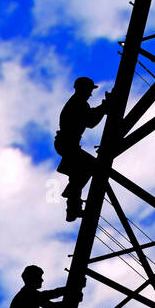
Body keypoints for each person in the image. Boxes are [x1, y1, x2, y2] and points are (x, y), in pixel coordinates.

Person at [55, 76, 109, 222]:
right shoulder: (78, 104)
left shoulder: (78, 103)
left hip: (66, 145)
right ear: (84, 89)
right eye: (90, 90)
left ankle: (72, 208)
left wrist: (103, 108)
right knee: (91, 166)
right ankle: (72, 202)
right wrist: (104, 108)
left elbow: (90, 116)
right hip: (67, 145)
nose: (91, 93)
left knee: (79, 173)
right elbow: (91, 121)